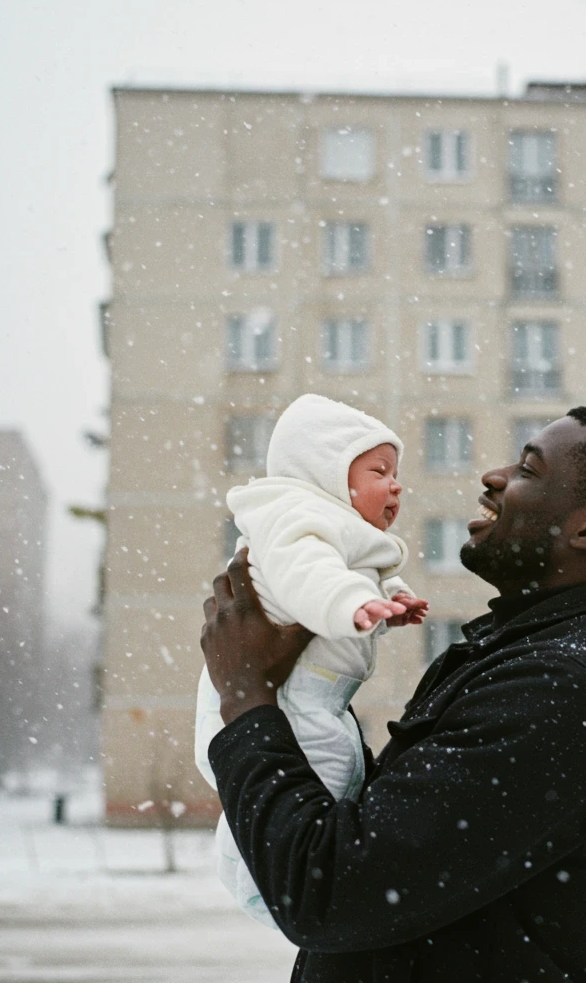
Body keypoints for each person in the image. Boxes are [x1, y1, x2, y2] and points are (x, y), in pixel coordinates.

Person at [200, 405, 586, 982]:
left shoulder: (561, 688)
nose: (494, 475)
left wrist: (246, 698)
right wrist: (300, 690)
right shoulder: (525, 659)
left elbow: (330, 892)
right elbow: (381, 841)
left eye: (528, 470)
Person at [194, 393, 428, 927]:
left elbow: (357, 571)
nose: (396, 485)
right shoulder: (299, 519)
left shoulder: (341, 533)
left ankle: (273, 872)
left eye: (397, 474)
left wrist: (391, 599)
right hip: (289, 690)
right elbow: (311, 573)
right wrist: (354, 604)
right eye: (378, 471)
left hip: (310, 691)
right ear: (326, 473)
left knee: (336, 781)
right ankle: (266, 883)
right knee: (314, 780)